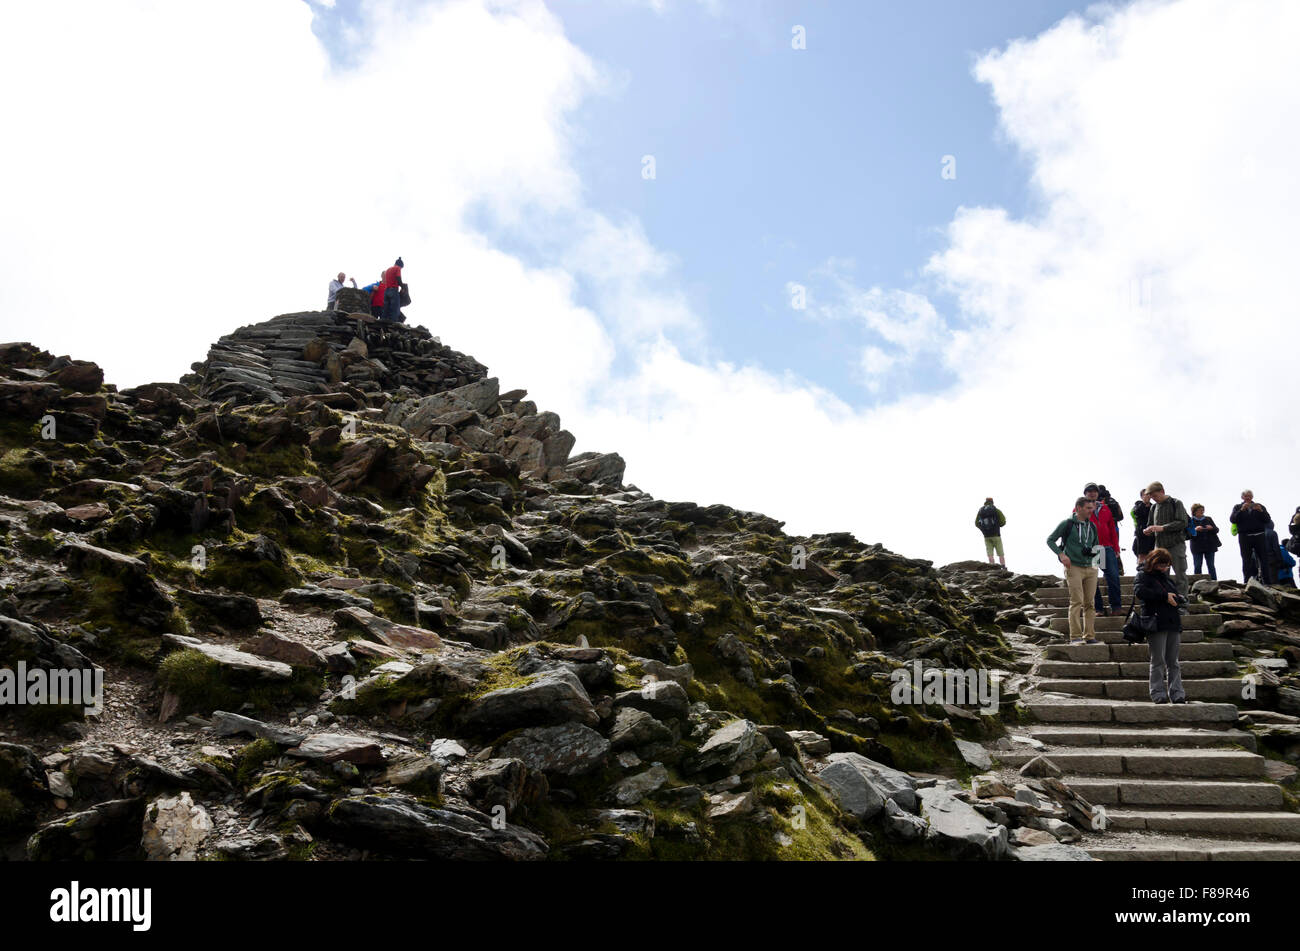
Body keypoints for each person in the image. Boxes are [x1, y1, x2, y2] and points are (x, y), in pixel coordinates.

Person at [1046, 497, 1102, 645]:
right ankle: (1075, 637)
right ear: (1078, 508)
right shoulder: (1067, 523)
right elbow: (1050, 540)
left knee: (1090, 603)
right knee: (1077, 601)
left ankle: (1090, 636)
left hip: (1091, 568)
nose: (1092, 511)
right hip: (1074, 567)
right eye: (1089, 508)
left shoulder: (1093, 526)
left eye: (1093, 508)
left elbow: (1097, 546)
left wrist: (1097, 565)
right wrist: (1061, 554)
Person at [1135, 547, 1186, 704]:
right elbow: (1140, 592)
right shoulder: (1143, 576)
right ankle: (1158, 693)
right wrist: (1164, 596)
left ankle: (1177, 694)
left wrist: (1179, 599)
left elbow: (1174, 595)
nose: (1164, 568)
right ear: (1153, 562)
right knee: (1158, 661)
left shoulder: (1167, 579)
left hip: (1172, 623)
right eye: (1161, 565)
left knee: (1173, 662)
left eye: (1166, 565)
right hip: (1155, 623)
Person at [1143, 482, 1190, 599]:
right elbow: (1150, 524)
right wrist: (1148, 530)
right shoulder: (1154, 507)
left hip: (1176, 544)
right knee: (1161, 576)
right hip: (1159, 547)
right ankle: (1165, 600)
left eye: (1155, 496)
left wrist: (1163, 528)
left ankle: (1182, 602)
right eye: (1152, 497)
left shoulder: (1176, 503)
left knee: (1180, 575)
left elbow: (1182, 522)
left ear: (1162, 491)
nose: (1154, 499)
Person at [1084, 482, 1121, 616]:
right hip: (1093, 549)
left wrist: (1116, 547)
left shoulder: (1105, 508)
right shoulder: (1080, 508)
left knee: (1113, 577)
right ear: (1085, 493)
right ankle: (1098, 608)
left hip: (1107, 547)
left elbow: (1112, 528)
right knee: (1093, 579)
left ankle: (1116, 607)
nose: (1092, 493)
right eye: (1089, 491)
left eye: (1094, 490)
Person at [1229, 490, 1274, 584]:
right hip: (1245, 537)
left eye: (1249, 496)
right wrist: (1241, 510)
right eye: (1246, 496)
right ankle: (1247, 582)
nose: (1248, 498)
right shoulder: (1237, 507)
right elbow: (1233, 519)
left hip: (1260, 536)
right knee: (1246, 560)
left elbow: (1267, 519)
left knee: (1264, 559)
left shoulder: (1259, 506)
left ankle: (1268, 582)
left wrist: (1261, 511)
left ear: (1252, 497)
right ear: (1242, 497)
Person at [1187, 504, 1221, 580]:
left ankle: (1214, 581)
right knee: (1197, 565)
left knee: (1211, 565)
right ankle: (1197, 583)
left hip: (1210, 546)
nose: (1202, 512)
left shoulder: (1208, 519)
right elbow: (1187, 534)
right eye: (1199, 510)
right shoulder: (1190, 521)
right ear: (1194, 512)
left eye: (1202, 510)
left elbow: (1217, 530)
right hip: (1196, 547)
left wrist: (1211, 528)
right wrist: (1195, 530)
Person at [975, 497, 1006, 566]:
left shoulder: (981, 511)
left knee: (990, 554)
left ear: (985, 502)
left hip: (986, 536)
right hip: (996, 535)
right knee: (1000, 553)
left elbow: (976, 523)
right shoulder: (996, 510)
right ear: (992, 502)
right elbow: (1003, 522)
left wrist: (983, 529)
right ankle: (1003, 567)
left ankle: (992, 567)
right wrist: (997, 525)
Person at [1132, 488, 1155, 568]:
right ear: (1141, 496)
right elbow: (1136, 513)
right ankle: (1141, 568)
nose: (1148, 496)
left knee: (1152, 553)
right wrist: (1144, 505)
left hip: (1152, 533)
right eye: (1145, 494)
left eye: (1149, 494)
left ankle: (1150, 568)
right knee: (1141, 554)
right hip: (1141, 533)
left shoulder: (1154, 507)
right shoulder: (1138, 506)